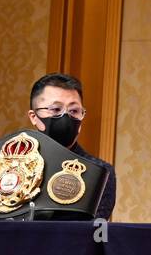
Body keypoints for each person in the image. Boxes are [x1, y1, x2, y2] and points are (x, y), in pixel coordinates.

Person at [26, 72, 117, 220]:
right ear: (34, 117)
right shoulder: (10, 164)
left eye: (74, 111)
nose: (66, 116)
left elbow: (92, 230)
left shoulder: (99, 173)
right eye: (56, 109)